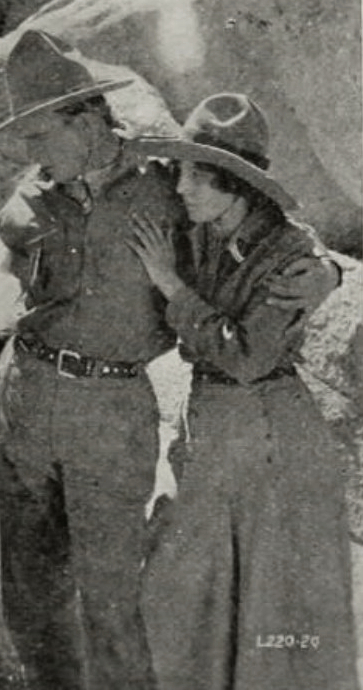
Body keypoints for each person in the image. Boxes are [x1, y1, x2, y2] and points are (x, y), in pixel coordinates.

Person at [0, 32, 342, 690]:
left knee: (117, 605)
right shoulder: (34, 198)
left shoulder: (167, 194)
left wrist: (328, 270)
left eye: (38, 134)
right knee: (29, 599)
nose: (30, 154)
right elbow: (31, 300)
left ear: (84, 120)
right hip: (25, 401)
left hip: (115, 418)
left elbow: (265, 232)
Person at [128, 93, 358, 690]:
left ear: (239, 183)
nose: (182, 189)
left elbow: (247, 354)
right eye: (181, 172)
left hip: (269, 436)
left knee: (273, 607)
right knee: (183, 592)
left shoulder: (290, 255)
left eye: (199, 177)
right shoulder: (200, 224)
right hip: (213, 424)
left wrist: (170, 286)